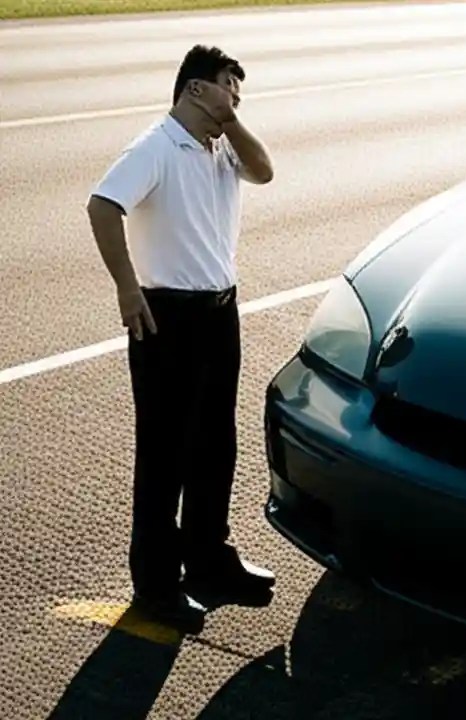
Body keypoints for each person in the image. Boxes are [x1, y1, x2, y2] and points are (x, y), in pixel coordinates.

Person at [86, 44, 276, 632]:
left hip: (220, 312)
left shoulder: (221, 148)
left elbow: (265, 171)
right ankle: (156, 585)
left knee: (216, 445)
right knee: (165, 454)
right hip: (166, 317)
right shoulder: (155, 147)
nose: (235, 99)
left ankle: (209, 561)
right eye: (228, 88)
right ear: (195, 88)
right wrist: (126, 288)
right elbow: (102, 205)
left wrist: (234, 120)